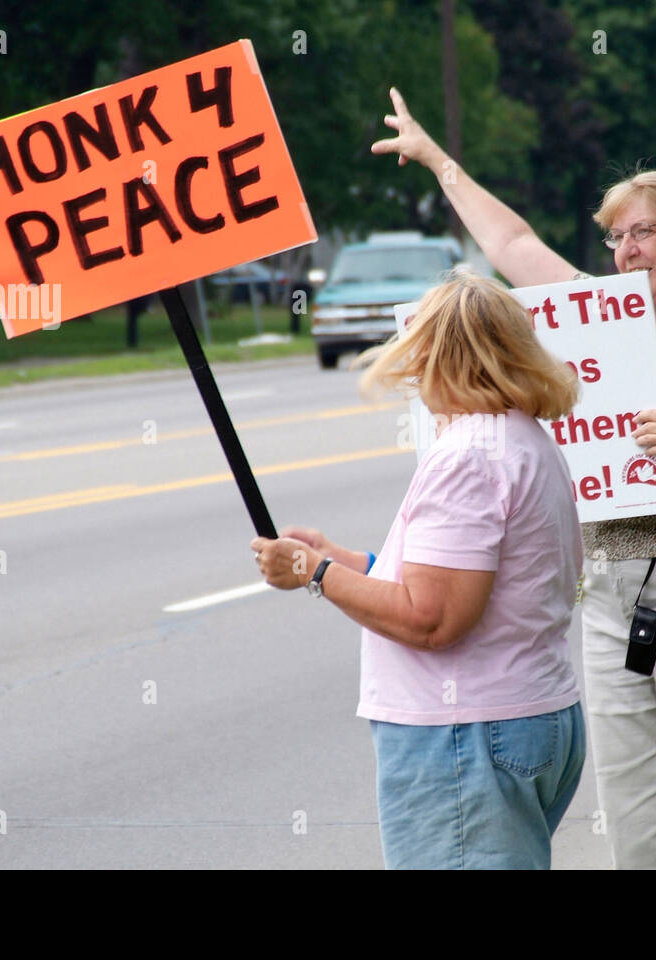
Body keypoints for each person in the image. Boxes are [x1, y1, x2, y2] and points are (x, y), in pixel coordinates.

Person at [371, 87, 656, 869]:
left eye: (644, 232)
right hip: (614, 582)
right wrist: (437, 160)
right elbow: (511, 242)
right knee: (639, 814)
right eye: (616, 237)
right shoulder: (597, 314)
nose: (626, 251)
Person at [251, 271, 587, 870]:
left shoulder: (468, 456)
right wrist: (348, 561)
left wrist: (314, 570)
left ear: (434, 353)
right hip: (523, 715)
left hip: (465, 734)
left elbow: (433, 620)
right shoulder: (521, 439)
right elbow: (470, 580)